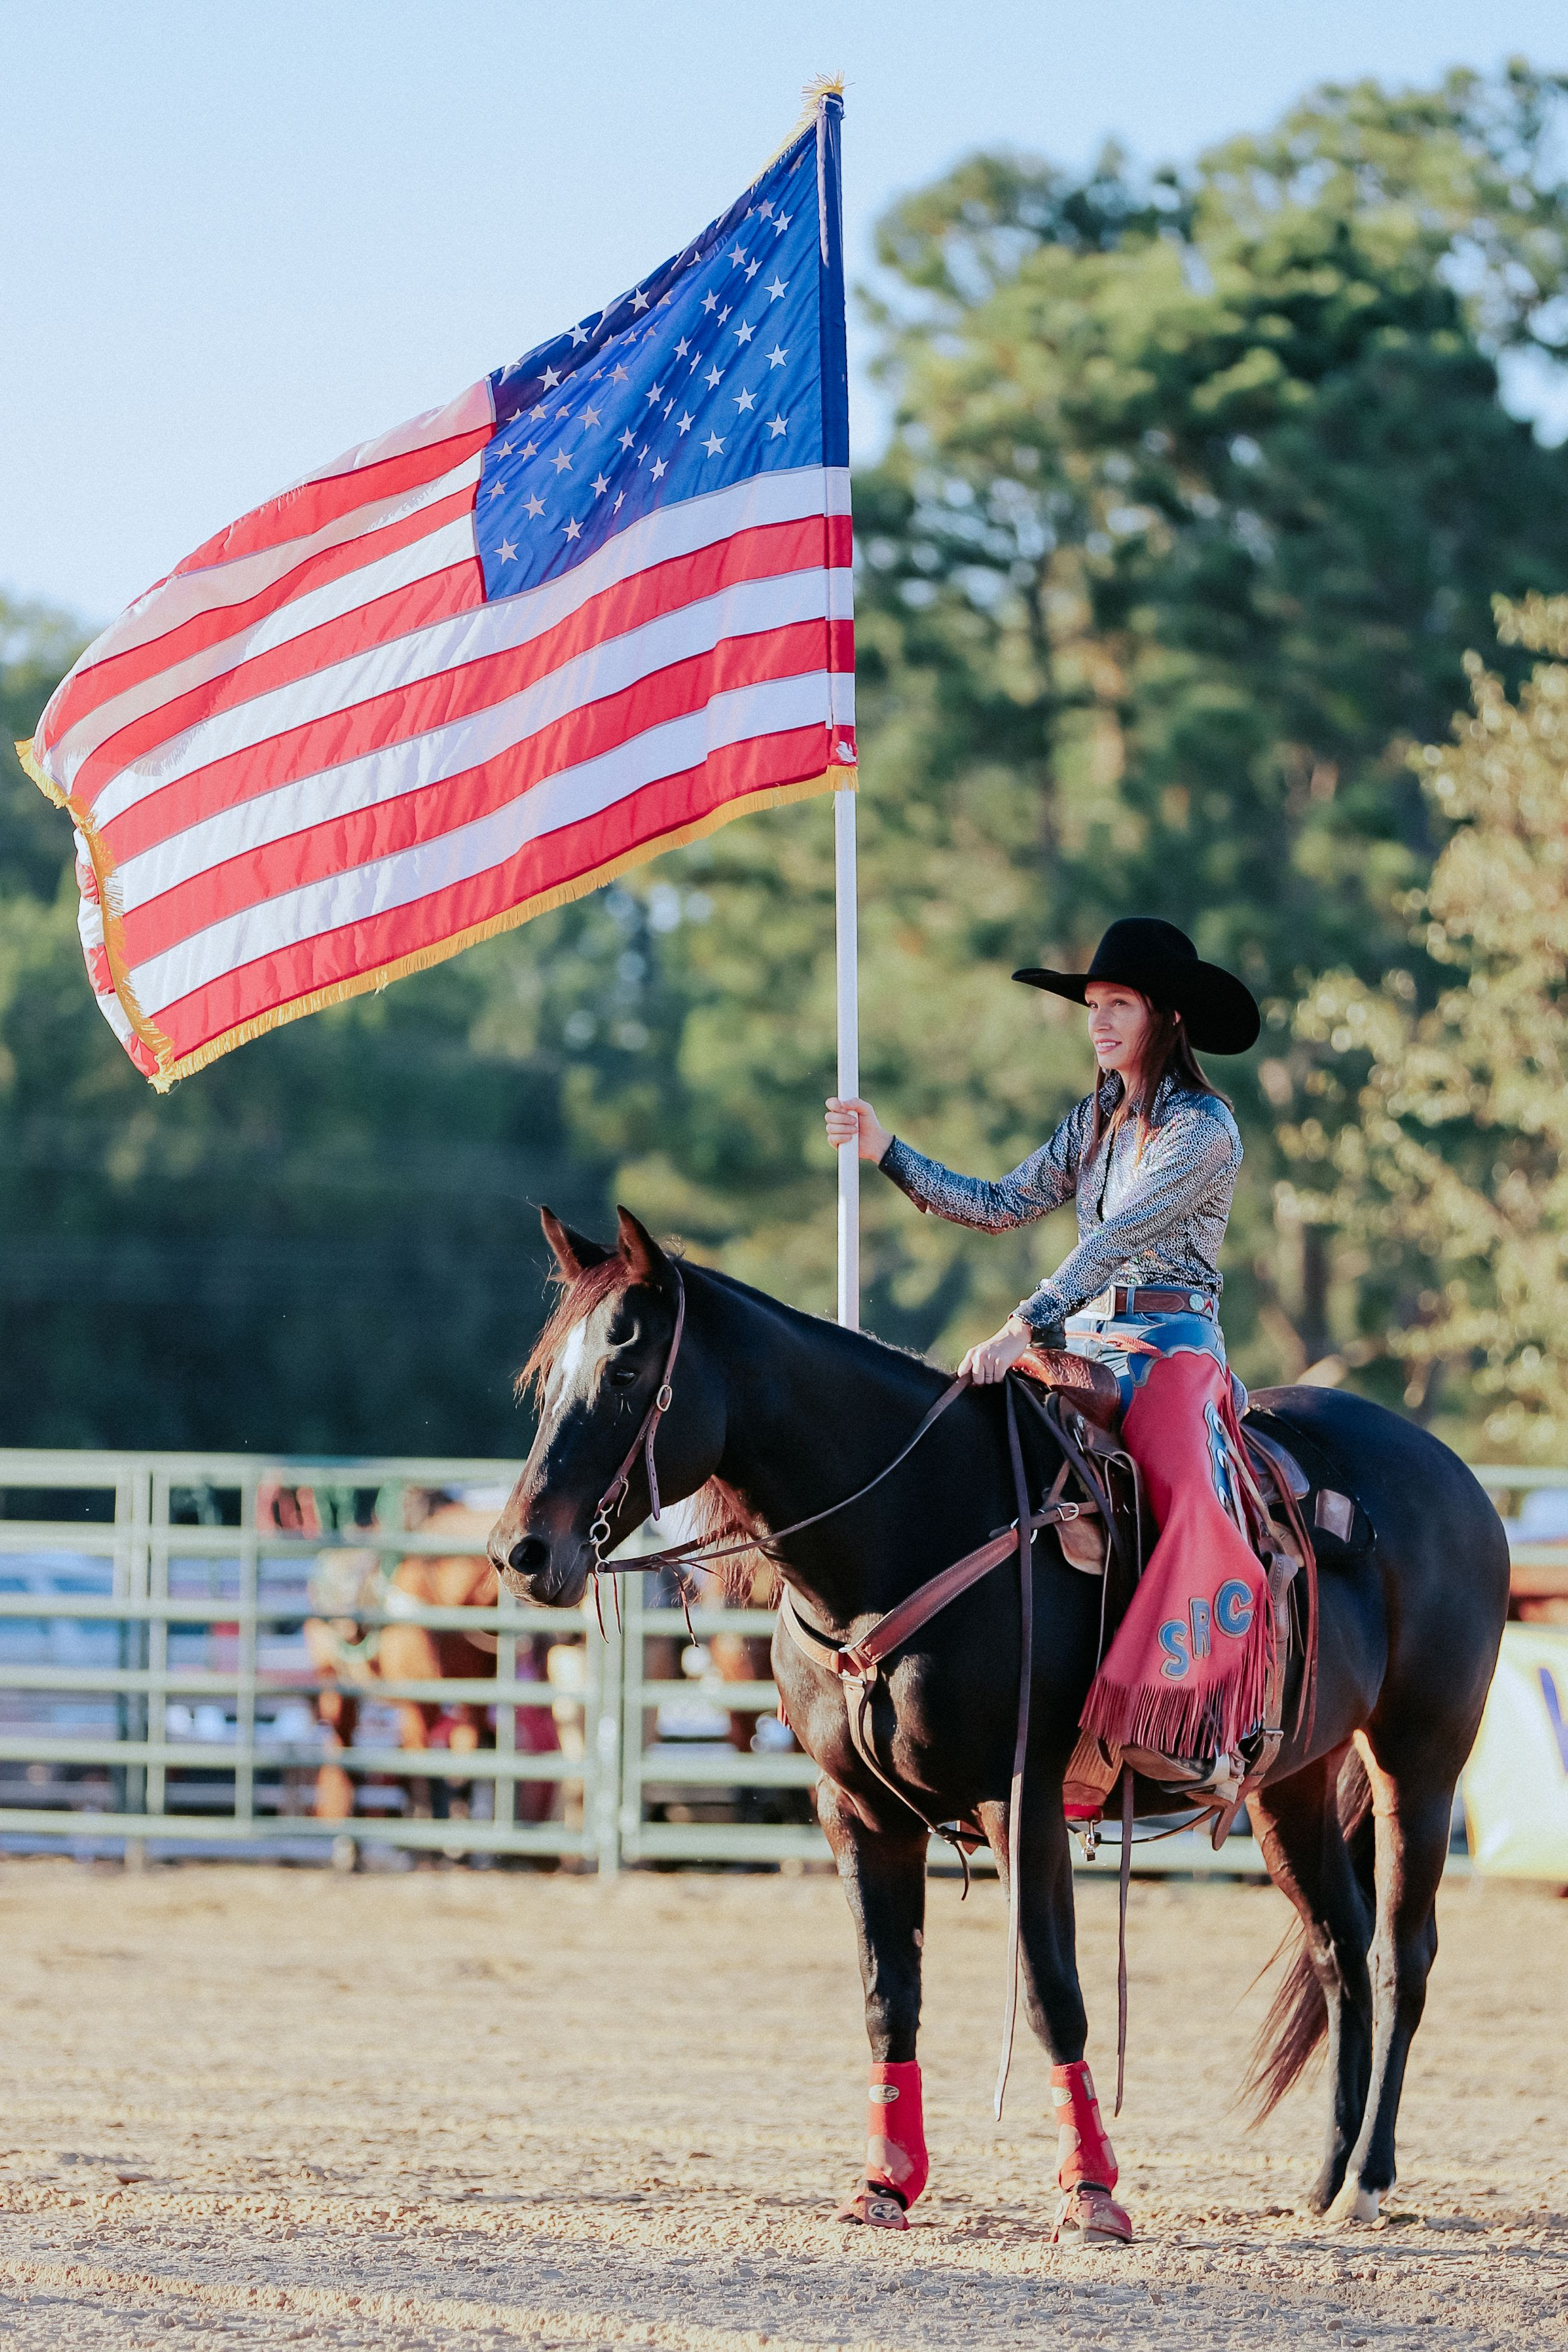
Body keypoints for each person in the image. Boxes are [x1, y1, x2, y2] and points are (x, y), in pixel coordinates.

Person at [824, 917, 1265, 1803]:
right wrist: (886, 1151)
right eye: (1092, 1005)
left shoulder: (1204, 1128)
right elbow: (1000, 1204)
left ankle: (1197, 1716)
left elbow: (1114, 1242)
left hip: (1170, 1345)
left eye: (1118, 1005)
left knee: (1182, 1486)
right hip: (1083, 1343)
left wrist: (1022, 1326)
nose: (1098, 1022)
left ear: (1168, 1016)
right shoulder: (1093, 1119)